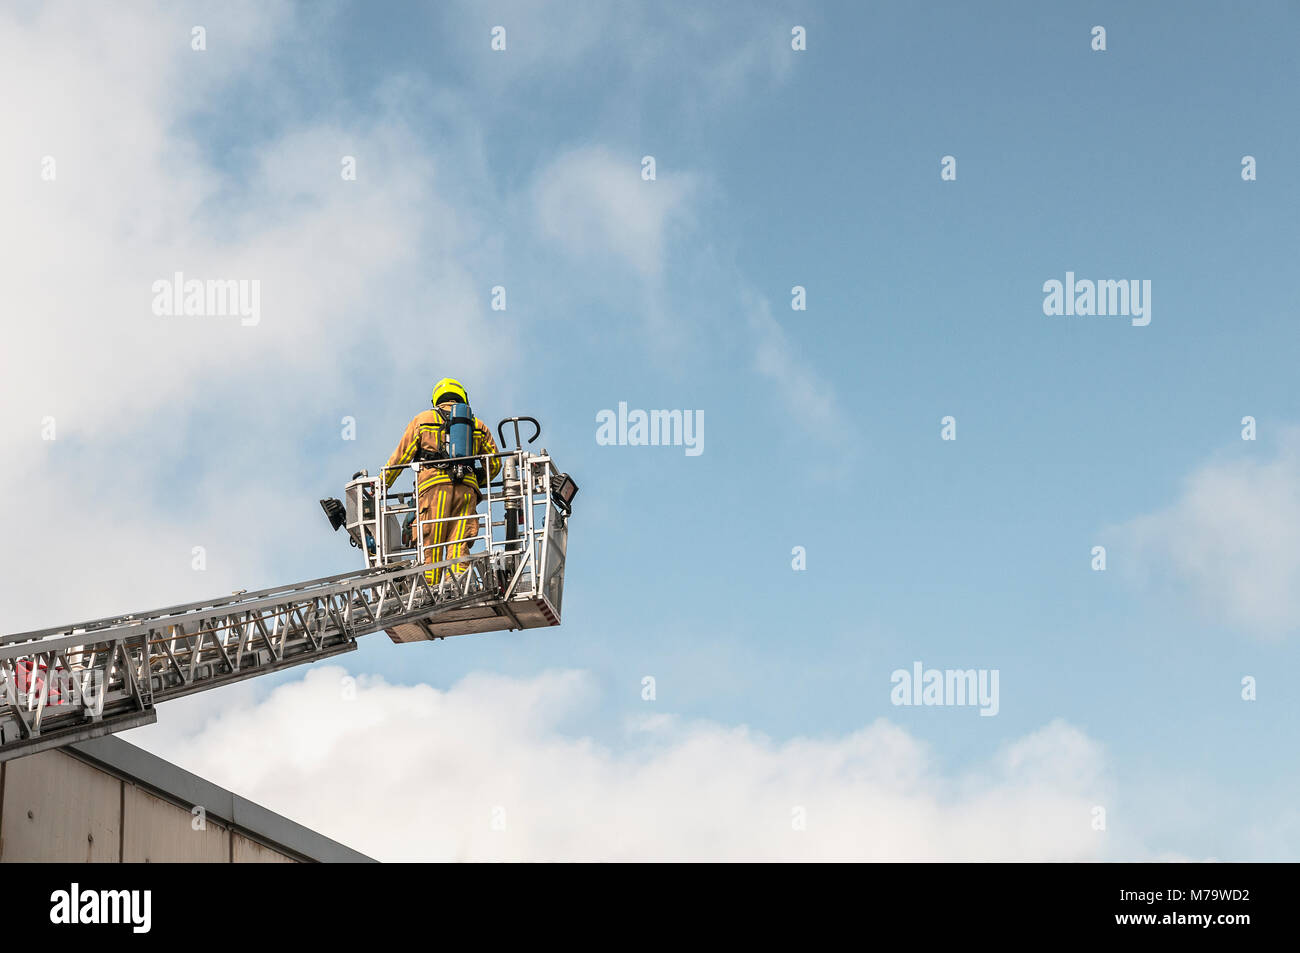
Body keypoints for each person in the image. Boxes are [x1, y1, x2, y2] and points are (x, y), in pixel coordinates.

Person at [384, 377, 501, 585]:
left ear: (436, 398)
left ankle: (429, 588)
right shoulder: (477, 425)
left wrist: (382, 484)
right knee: (459, 542)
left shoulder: (422, 420)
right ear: (462, 397)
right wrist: (476, 481)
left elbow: (400, 457)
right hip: (466, 492)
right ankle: (456, 583)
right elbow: (495, 465)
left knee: (432, 544)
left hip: (433, 490)